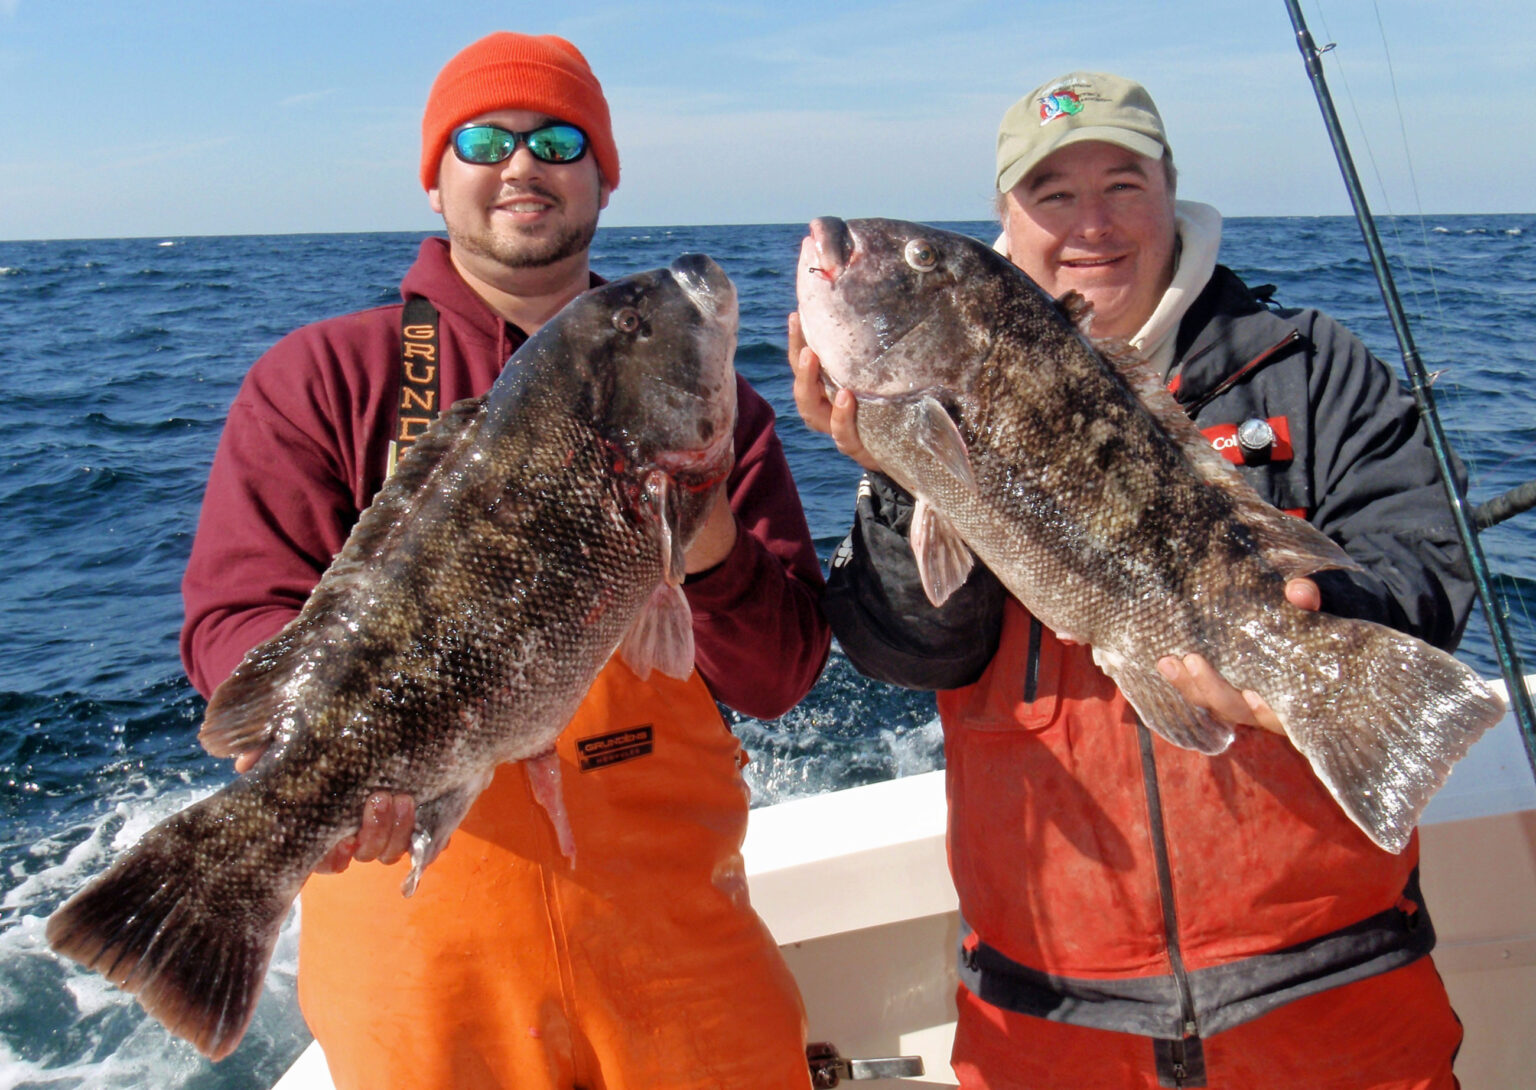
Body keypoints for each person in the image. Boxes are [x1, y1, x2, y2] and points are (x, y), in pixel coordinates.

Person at [790, 71, 1471, 1089]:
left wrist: (1313, 622)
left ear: (1173, 192)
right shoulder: (920, 410)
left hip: (1334, 994)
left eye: (1124, 184)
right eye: (1053, 196)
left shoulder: (1310, 364)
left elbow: (1426, 558)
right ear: (1007, 226)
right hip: (1051, 1016)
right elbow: (906, 649)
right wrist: (896, 479)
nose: (1092, 224)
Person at [181, 31, 830, 1090]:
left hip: (672, 939)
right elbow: (232, 623)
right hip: (418, 946)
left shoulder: (718, 402)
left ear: (601, 178)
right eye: (484, 139)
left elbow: (780, 675)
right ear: (436, 178)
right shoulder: (320, 379)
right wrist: (344, 753)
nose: (522, 164)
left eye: (559, 139)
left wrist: (696, 528)